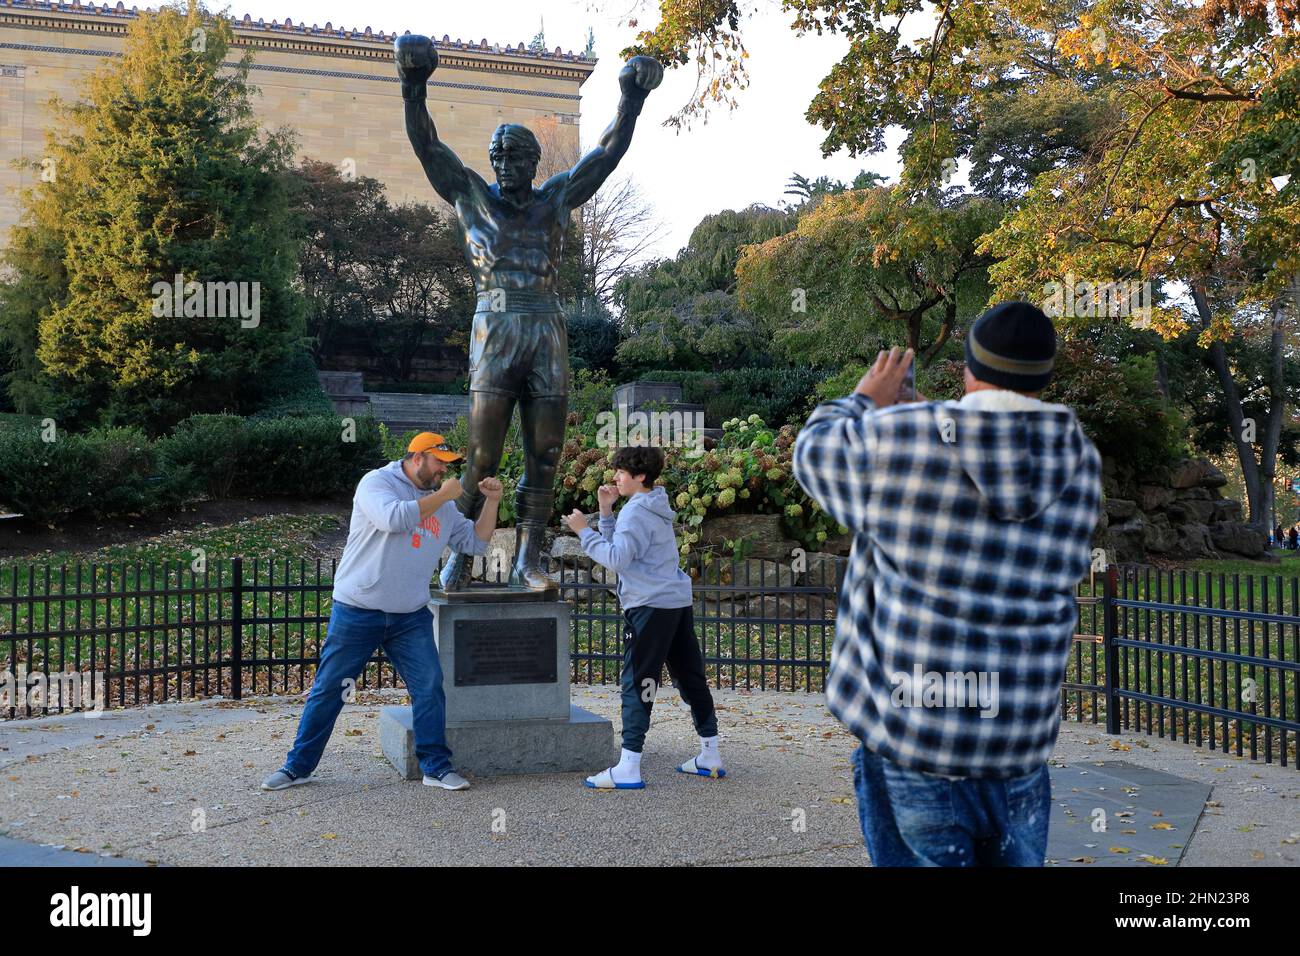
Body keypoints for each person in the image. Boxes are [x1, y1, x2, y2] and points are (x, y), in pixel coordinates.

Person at [793, 302, 1103, 866]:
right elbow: (995, 448)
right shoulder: (1079, 460)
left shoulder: (902, 442)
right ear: (1045, 377)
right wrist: (919, 419)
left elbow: (814, 455)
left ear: (967, 369)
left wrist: (867, 402)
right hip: (1018, 744)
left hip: (915, 741)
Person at [394, 32, 662, 592]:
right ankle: (460, 556)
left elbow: (606, 154)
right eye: (496, 154)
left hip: (545, 325)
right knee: (481, 455)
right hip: (494, 326)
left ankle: (528, 560)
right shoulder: (472, 196)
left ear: (534, 161)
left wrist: (630, 100)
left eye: (513, 154)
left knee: (544, 452)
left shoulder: (556, 199)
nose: (502, 162)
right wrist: (413, 87)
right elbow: (429, 148)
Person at [261, 432, 499, 793]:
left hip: (410, 615)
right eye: (438, 463)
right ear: (417, 458)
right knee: (330, 691)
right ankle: (298, 767)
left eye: (447, 467)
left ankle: (435, 767)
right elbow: (394, 519)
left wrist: (492, 501)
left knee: (430, 687)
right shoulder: (377, 482)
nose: (442, 472)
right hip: (359, 610)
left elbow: (476, 542)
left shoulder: (444, 505)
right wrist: (443, 496)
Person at [562, 446, 722, 789]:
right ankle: (710, 754)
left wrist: (582, 531)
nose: (615, 476)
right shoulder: (654, 506)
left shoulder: (636, 512)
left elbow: (617, 559)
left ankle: (629, 766)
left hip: (649, 606)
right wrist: (606, 511)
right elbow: (626, 549)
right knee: (689, 675)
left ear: (640, 477)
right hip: (675, 603)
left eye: (621, 472)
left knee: (638, 681)